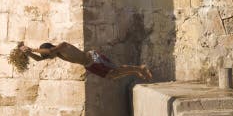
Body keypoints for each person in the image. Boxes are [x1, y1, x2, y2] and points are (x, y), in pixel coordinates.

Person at [18, 42, 152, 80]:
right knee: (111, 76)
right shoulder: (57, 54)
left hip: (93, 59)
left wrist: (31, 48)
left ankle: (140, 68)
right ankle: (137, 70)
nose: (50, 58)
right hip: (89, 65)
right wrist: (27, 53)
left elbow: (48, 51)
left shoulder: (62, 46)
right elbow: (39, 59)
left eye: (49, 55)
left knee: (115, 70)